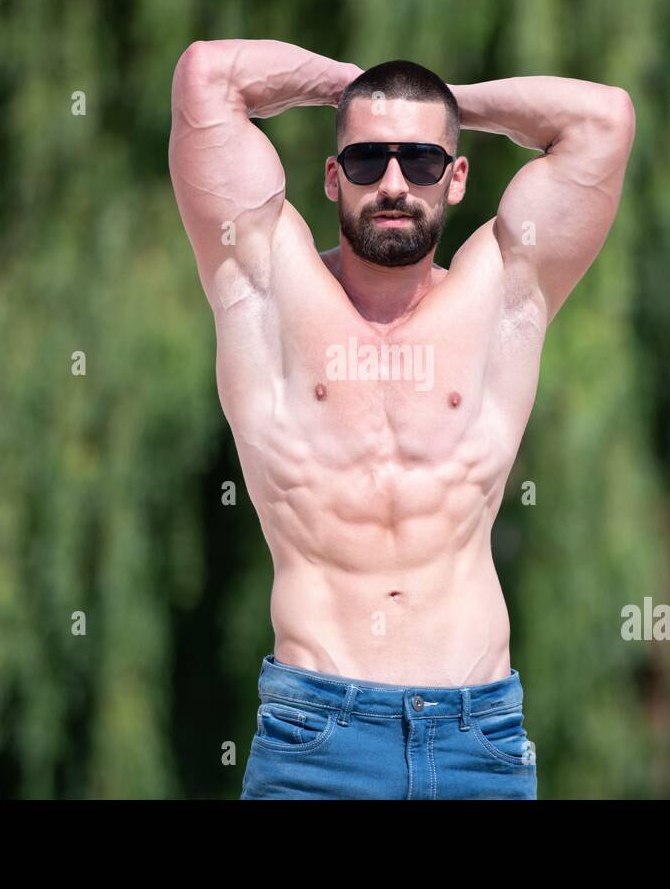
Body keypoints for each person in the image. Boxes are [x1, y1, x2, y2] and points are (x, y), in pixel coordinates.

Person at [168, 39, 635, 798]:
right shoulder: (263, 283)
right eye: (365, 160)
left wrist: (441, 101)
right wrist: (357, 90)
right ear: (332, 177)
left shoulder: (504, 291)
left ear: (456, 178)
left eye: (419, 161)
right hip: (316, 740)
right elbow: (208, 77)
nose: (392, 182)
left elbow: (603, 119)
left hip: (476, 739)